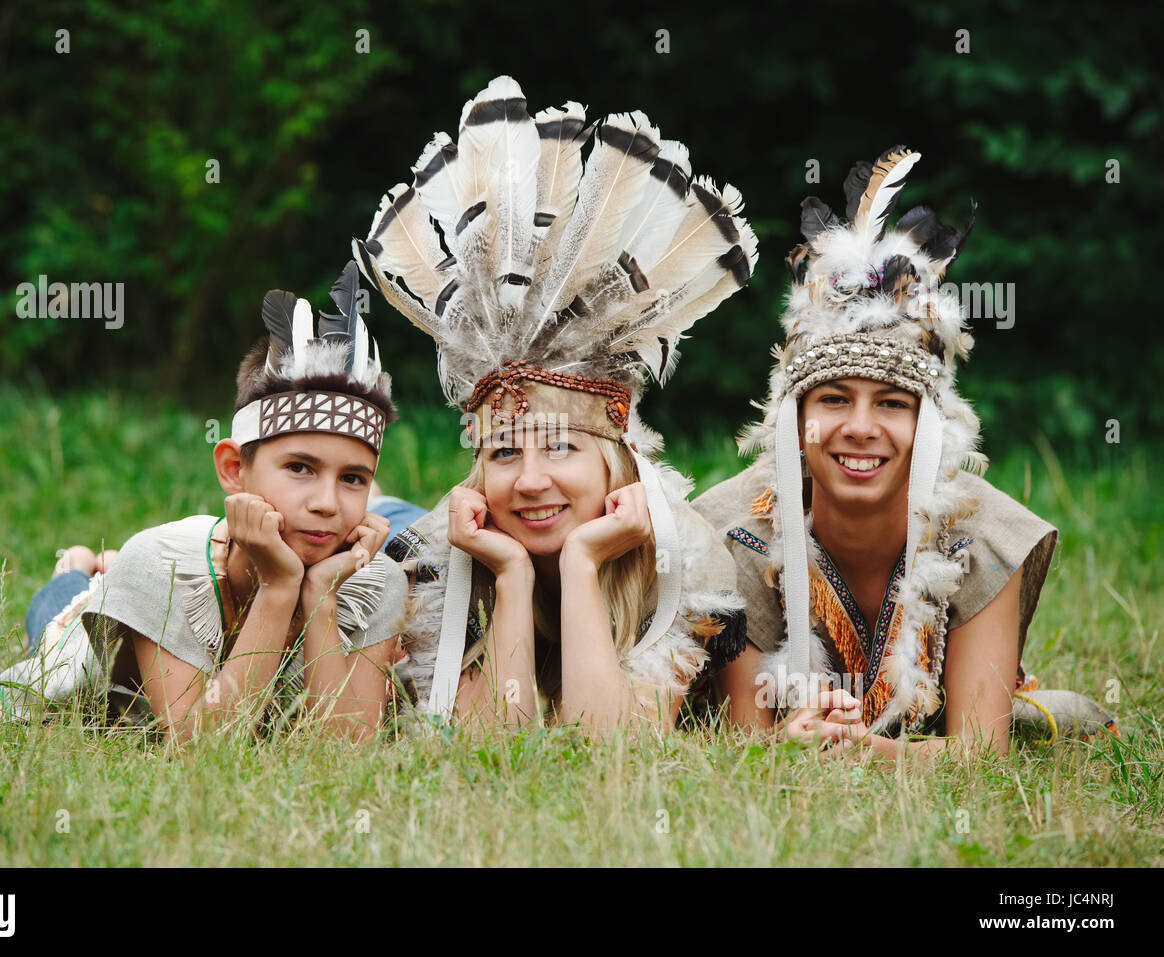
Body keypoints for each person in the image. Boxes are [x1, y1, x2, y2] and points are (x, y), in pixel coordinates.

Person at [354, 75, 757, 733]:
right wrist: (509, 574)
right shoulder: (437, 550)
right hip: (392, 524)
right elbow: (486, 747)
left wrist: (581, 562)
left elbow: (609, 745)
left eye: (562, 446)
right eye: (505, 451)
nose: (532, 478)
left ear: (616, 461)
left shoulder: (685, 553)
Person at [693, 148, 1115, 758]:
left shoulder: (986, 537)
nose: (860, 428)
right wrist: (793, 739)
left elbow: (978, 752)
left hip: (915, 721)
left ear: (931, 426)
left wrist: (865, 750)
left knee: (1043, 722)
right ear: (794, 421)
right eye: (833, 400)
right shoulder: (737, 533)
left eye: (893, 404)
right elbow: (747, 740)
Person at [0, 262, 408, 744]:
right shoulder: (161, 566)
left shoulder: (372, 581)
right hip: (83, 635)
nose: (326, 503)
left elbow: (346, 751)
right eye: (299, 467)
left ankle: (96, 570)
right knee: (59, 621)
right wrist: (280, 586)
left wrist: (320, 597)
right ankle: (77, 570)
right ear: (233, 470)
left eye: (352, 478)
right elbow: (203, 749)